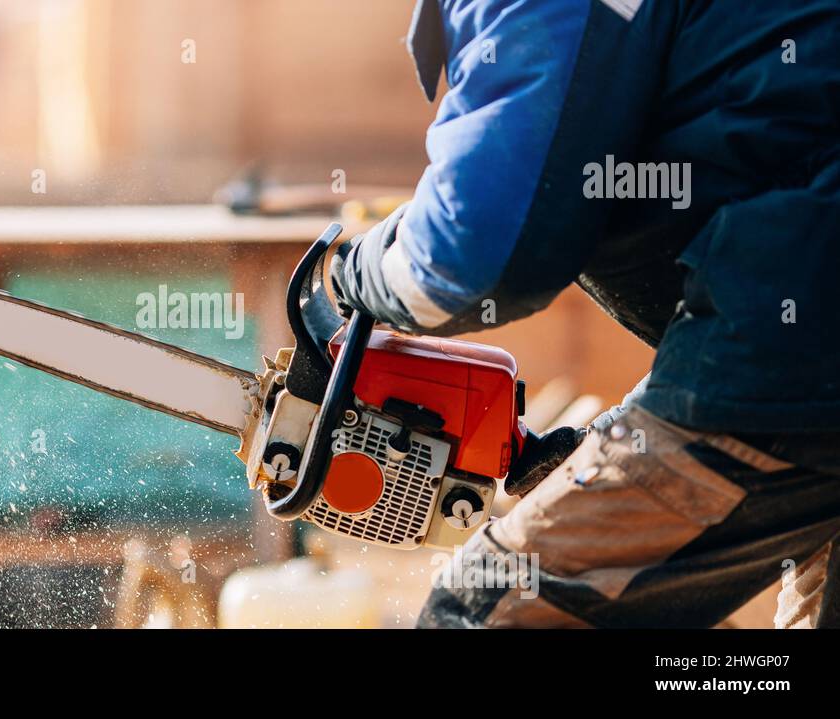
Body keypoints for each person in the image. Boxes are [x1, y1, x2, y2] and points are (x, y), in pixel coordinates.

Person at [332, 0, 840, 627]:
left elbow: (473, 254)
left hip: (797, 360)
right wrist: (600, 445)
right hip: (802, 349)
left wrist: (353, 272)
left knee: (484, 609)